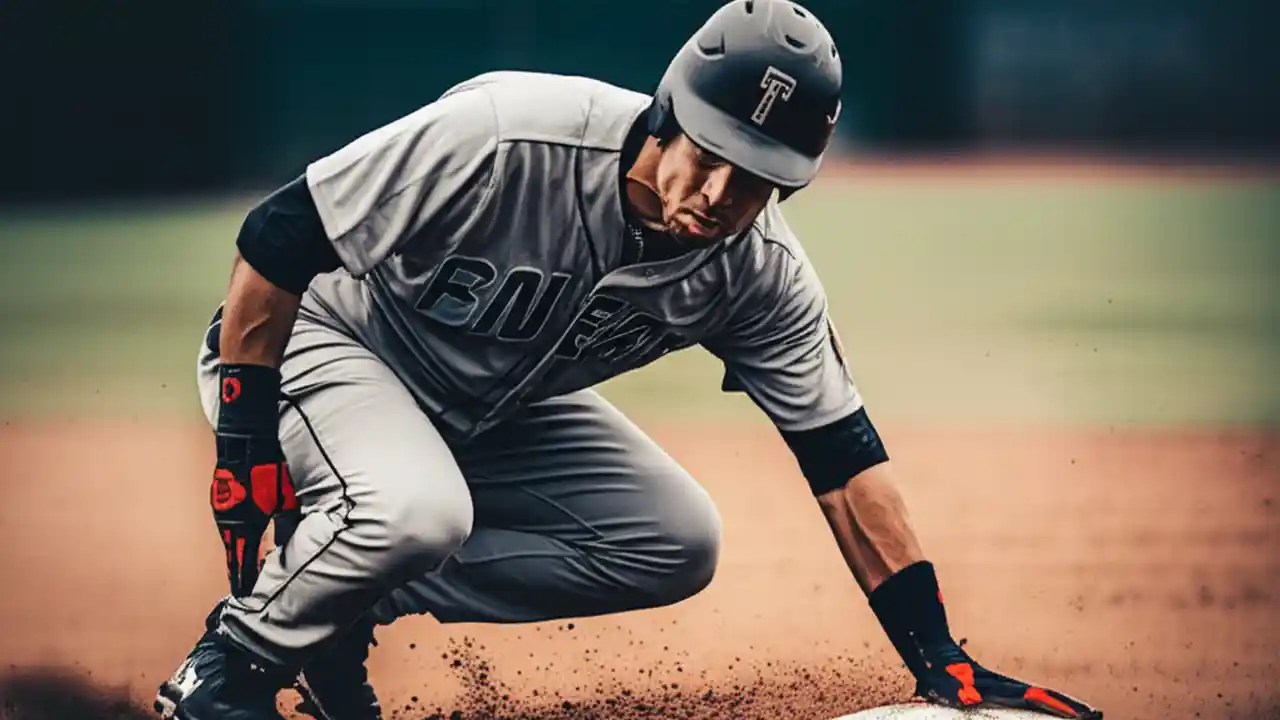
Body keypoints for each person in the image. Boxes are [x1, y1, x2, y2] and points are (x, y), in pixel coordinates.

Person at [154, 1, 1102, 718]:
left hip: (487, 406)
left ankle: (339, 603)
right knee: (419, 509)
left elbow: (845, 461)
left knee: (676, 541)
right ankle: (227, 669)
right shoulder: (509, 134)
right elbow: (279, 235)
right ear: (668, 110)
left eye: (757, 181)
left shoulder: (757, 271)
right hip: (334, 341)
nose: (719, 194)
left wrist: (939, 656)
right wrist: (245, 439)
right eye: (710, 153)